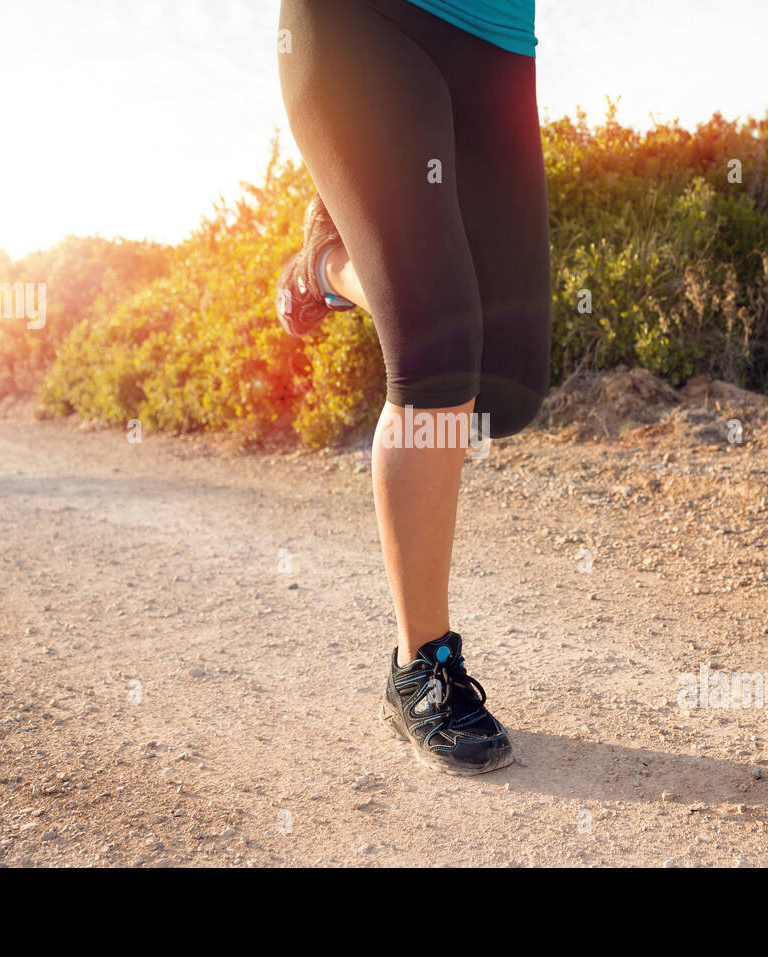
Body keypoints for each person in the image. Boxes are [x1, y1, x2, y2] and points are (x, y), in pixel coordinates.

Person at [275, 0, 550, 774]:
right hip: (362, 23)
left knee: (508, 388)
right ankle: (422, 664)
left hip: (497, 38)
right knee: (440, 352)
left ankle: (327, 265)